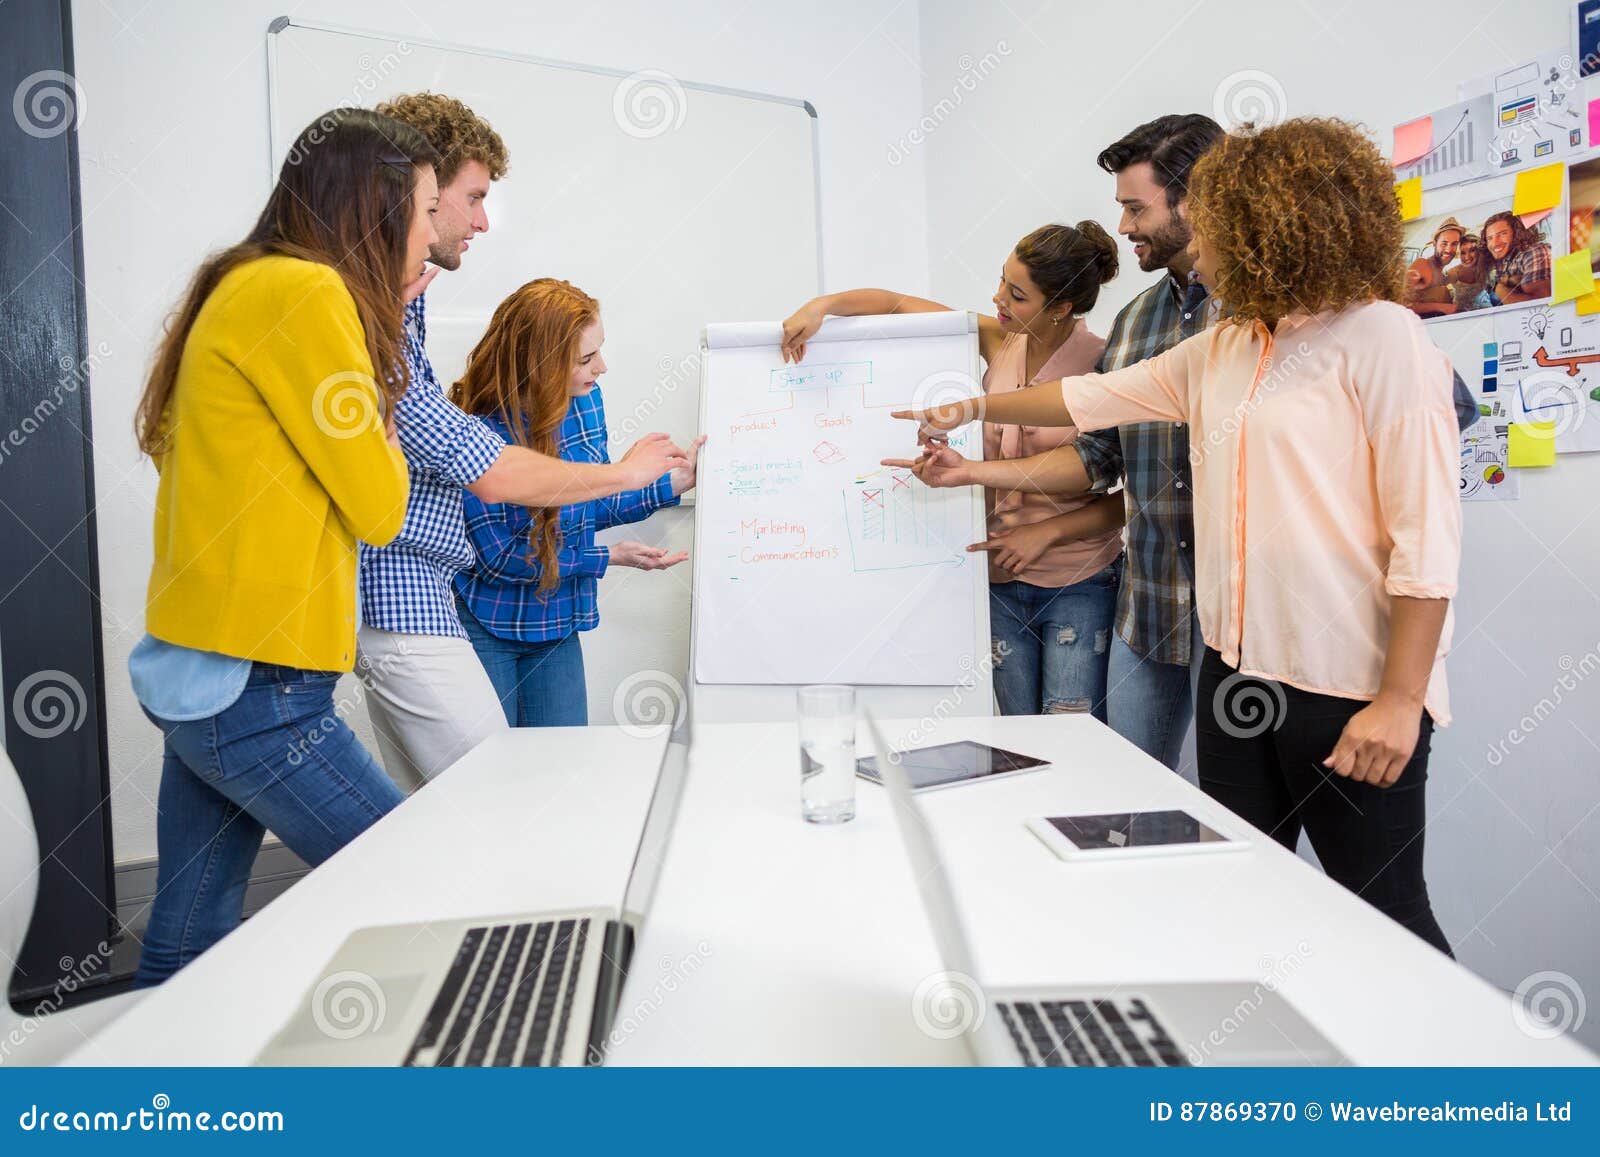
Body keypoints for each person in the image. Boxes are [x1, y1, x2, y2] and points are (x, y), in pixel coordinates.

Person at [898, 118, 1459, 955]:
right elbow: (1093, 401)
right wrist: (972, 408)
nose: (1202, 245)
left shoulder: (1383, 337)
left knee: (1388, 921)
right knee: (1238, 900)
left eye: (1220, 226)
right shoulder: (1224, 346)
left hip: (1348, 690)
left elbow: (1427, 537)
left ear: (1271, 228)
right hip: (1235, 675)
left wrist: (1401, 700)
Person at [126, 109, 433, 984]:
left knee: (185, 949)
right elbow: (379, 506)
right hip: (260, 694)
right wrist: (385, 379)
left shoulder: (240, 283)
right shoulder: (306, 292)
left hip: (202, 676)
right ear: (370, 213)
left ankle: (157, 1109)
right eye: (419, 212)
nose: (430, 236)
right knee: (421, 884)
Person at [357, 94, 687, 790]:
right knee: (490, 796)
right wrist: (609, 534)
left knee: (541, 787)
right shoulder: (471, 410)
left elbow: (576, 499)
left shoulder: (408, 302)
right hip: (454, 610)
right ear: (418, 188)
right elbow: (497, 515)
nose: (481, 220)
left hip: (535, 620)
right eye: (472, 198)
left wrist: (658, 484)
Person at [780, 224, 1127, 718]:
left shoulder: (1107, 364)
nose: (998, 298)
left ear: (1062, 307)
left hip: (1079, 582)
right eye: (1002, 281)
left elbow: (1132, 496)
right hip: (997, 578)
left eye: (1017, 293)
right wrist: (823, 305)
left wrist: (1046, 531)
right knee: (1020, 736)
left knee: (1073, 737)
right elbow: (895, 304)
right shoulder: (998, 339)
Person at [452, 279, 700, 726]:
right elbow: (499, 558)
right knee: (489, 776)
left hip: (557, 623)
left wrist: (672, 485)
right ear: (540, 364)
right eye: (586, 358)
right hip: (488, 625)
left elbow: (591, 500)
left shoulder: (585, 401)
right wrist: (604, 558)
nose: (602, 367)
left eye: (599, 350)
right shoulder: (476, 426)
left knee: (560, 767)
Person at [1482, 210, 1553, 305]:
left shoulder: (1535, 251)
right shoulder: (1503, 260)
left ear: (1517, 233)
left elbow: (1540, 304)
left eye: (1502, 234)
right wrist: (1510, 281)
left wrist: (1500, 289)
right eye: (1490, 238)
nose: (1495, 243)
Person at [1403, 218, 1464, 317]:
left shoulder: (1444, 273)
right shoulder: (1421, 265)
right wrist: (1442, 307)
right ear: (1434, 243)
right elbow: (1400, 303)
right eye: (1444, 243)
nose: (1449, 249)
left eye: (1454, 244)